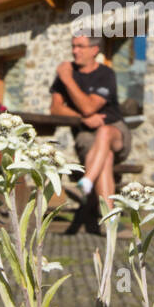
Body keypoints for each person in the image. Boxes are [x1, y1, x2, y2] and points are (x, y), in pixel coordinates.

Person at [49, 33, 131, 235]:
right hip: (86, 137)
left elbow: (90, 107)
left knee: (104, 133)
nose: (74, 50)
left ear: (95, 50)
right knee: (105, 157)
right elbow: (55, 109)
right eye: (73, 46)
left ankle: (87, 181)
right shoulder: (66, 72)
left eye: (80, 46)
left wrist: (68, 80)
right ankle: (109, 221)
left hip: (116, 132)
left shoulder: (105, 74)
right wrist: (82, 118)